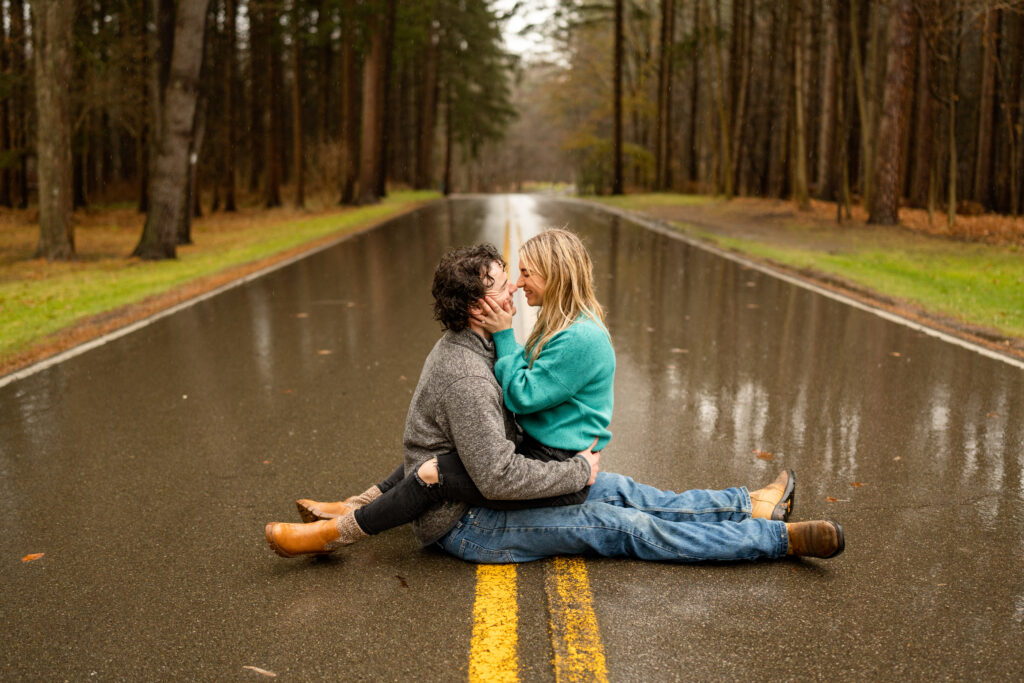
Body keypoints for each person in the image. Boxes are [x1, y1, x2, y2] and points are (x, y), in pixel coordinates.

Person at [264, 237, 844, 562]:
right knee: (621, 526)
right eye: (502, 281)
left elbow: (443, 453)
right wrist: (575, 471)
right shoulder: (466, 372)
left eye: (516, 275)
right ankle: (773, 540)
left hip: (491, 491)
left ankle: (748, 505)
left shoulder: (484, 346)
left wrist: (361, 499)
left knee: (631, 493)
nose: (514, 285)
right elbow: (494, 477)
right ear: (476, 306)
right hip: (470, 523)